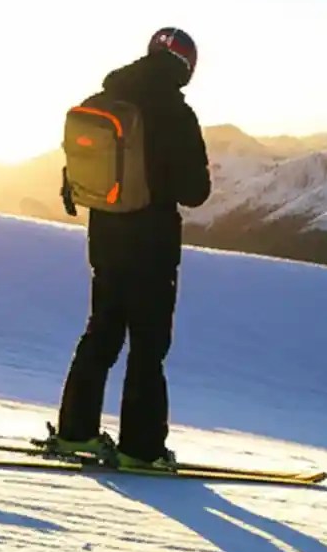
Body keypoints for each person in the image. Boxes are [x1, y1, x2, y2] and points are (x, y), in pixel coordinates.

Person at [50, 27, 210, 469]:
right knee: (147, 345)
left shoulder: (104, 99)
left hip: (104, 237)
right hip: (152, 244)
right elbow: (196, 190)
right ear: (186, 65)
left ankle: (74, 433)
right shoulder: (175, 113)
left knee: (101, 331)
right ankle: (140, 449)